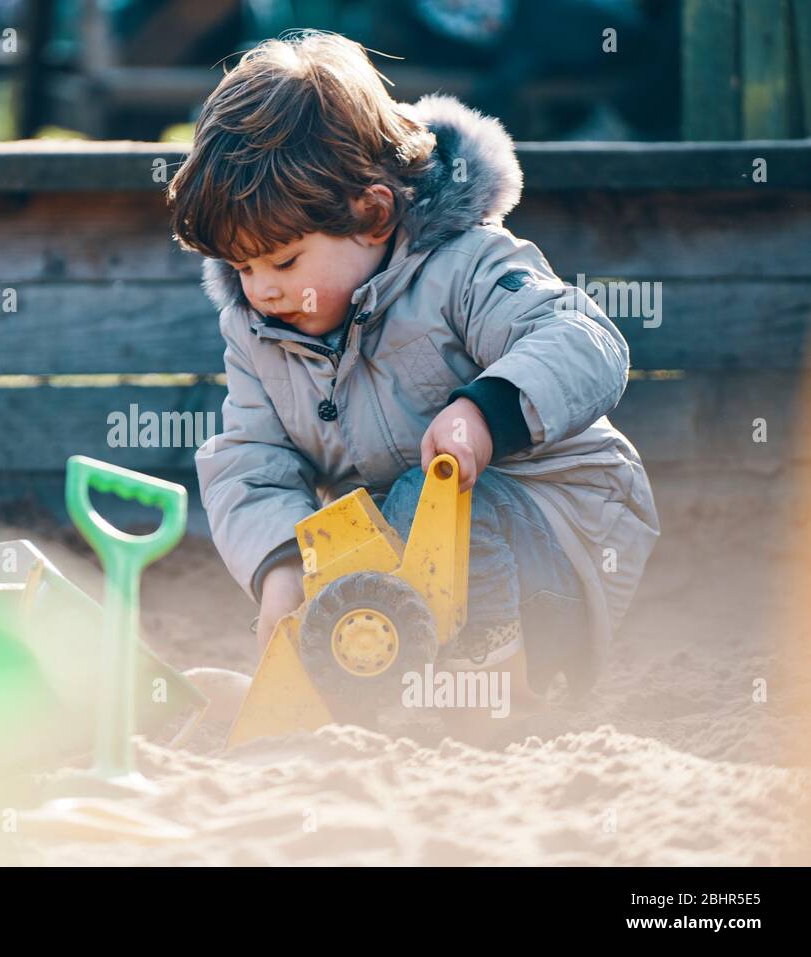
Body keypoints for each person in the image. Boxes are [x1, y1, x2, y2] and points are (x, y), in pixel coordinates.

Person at [166, 32, 659, 710]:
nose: (261, 291)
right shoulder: (259, 336)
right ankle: (365, 694)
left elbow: (583, 340)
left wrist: (487, 410)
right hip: (413, 559)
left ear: (371, 214)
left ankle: (487, 683)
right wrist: (281, 565)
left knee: (409, 503)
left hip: (560, 539)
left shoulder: (465, 266)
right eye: (241, 267)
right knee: (344, 548)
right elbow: (251, 460)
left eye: (282, 262)